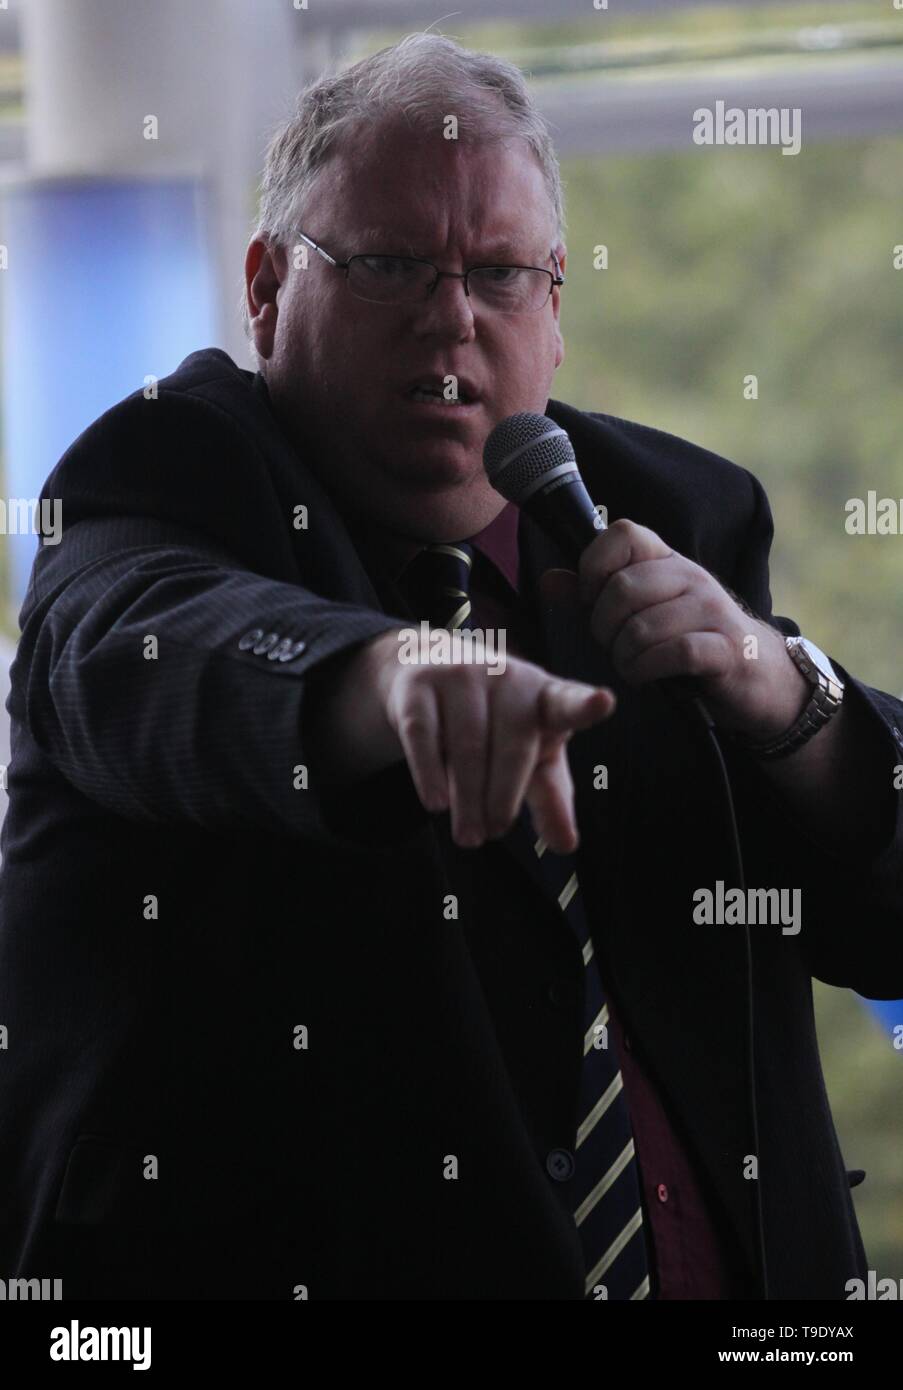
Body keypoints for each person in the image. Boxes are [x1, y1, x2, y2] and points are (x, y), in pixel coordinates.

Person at [0, 33, 900, 1302]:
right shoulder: (168, 471)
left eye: (498, 272)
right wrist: (379, 682)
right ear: (264, 290)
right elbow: (137, 641)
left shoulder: (668, 513)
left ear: (556, 305)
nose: (451, 316)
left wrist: (788, 698)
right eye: (388, 265)